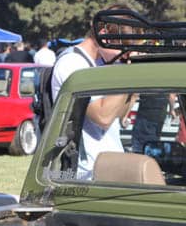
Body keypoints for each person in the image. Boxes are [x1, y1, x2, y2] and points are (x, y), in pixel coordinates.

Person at [50, 13, 135, 179]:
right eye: (124, 47)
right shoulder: (72, 64)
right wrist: (128, 72)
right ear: (104, 35)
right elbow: (103, 117)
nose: (125, 53)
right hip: (86, 174)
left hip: (108, 167)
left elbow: (117, 113)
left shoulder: (99, 65)